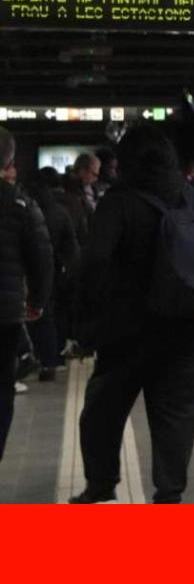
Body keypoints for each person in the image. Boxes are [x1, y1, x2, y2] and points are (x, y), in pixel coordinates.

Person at [70, 125, 194, 504]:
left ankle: (101, 484)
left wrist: (86, 324)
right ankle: (169, 492)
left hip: (126, 333)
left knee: (102, 413)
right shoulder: (192, 199)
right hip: (185, 331)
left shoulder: (118, 201)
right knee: (176, 419)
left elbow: (95, 263)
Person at [0, 126, 54, 463]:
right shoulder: (18, 203)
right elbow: (41, 258)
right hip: (4, 314)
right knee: (2, 390)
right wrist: (37, 301)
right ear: (9, 158)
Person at [25, 171, 80, 382]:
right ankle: (50, 360)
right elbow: (72, 245)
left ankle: (30, 358)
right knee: (50, 315)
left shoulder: (27, 208)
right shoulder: (62, 210)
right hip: (56, 270)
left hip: (29, 270)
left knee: (29, 315)